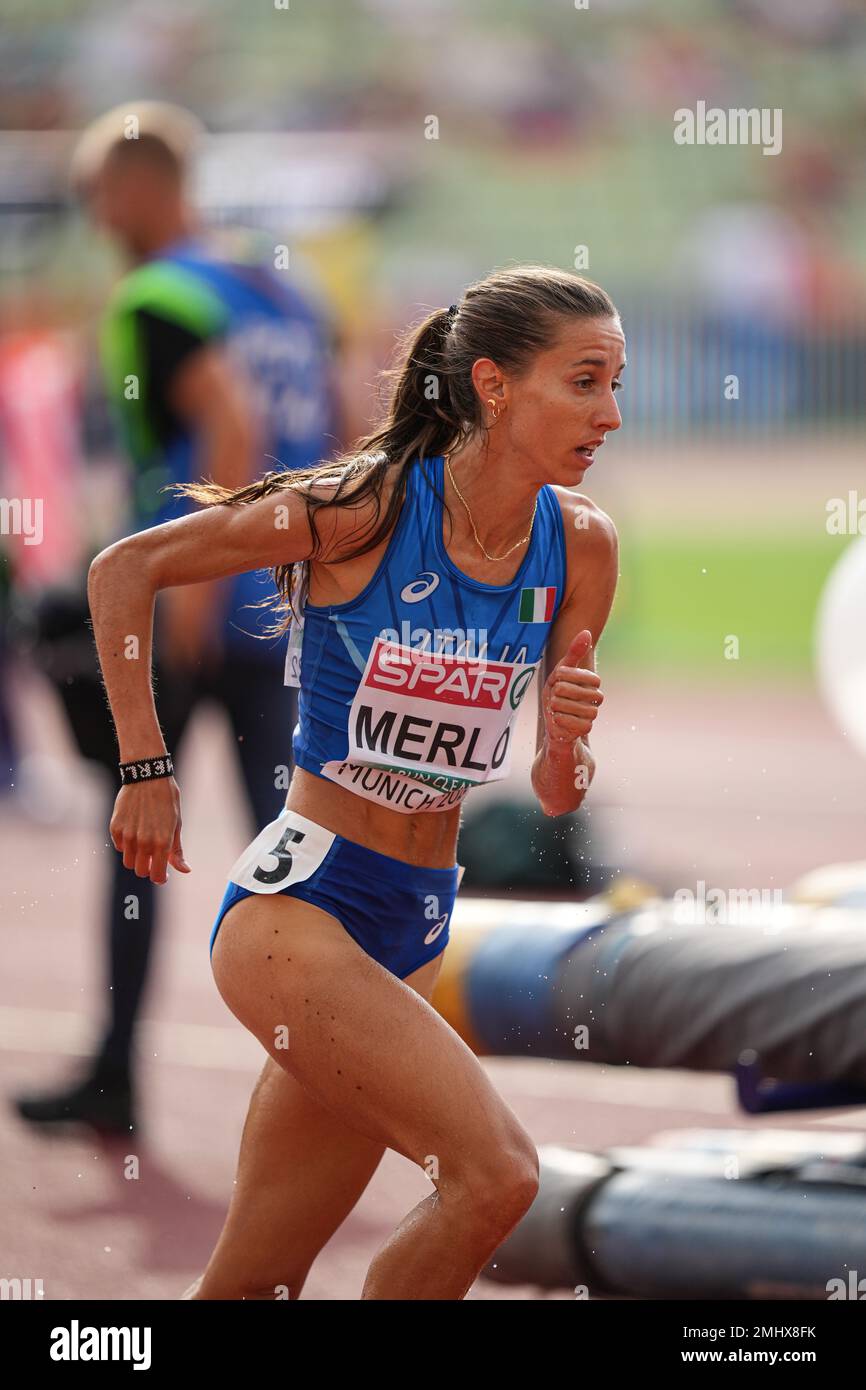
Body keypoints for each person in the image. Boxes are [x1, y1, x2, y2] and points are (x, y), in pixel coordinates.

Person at [88, 264, 623, 1300]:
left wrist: (563, 748)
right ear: (494, 385)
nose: (609, 413)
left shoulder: (581, 547)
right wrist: (145, 768)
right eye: (584, 380)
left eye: (615, 383)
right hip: (303, 911)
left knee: (256, 1281)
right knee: (494, 1178)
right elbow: (124, 569)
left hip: (414, 924)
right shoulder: (362, 507)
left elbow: (557, 798)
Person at [13, 102, 338, 1135]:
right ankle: (341, 1072)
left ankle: (115, 1076)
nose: (94, 212)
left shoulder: (157, 296)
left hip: (186, 599)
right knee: (284, 850)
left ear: (145, 183)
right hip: (281, 593)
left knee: (139, 830)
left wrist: (197, 596)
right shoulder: (272, 283)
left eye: (99, 190)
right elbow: (340, 419)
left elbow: (232, 421)